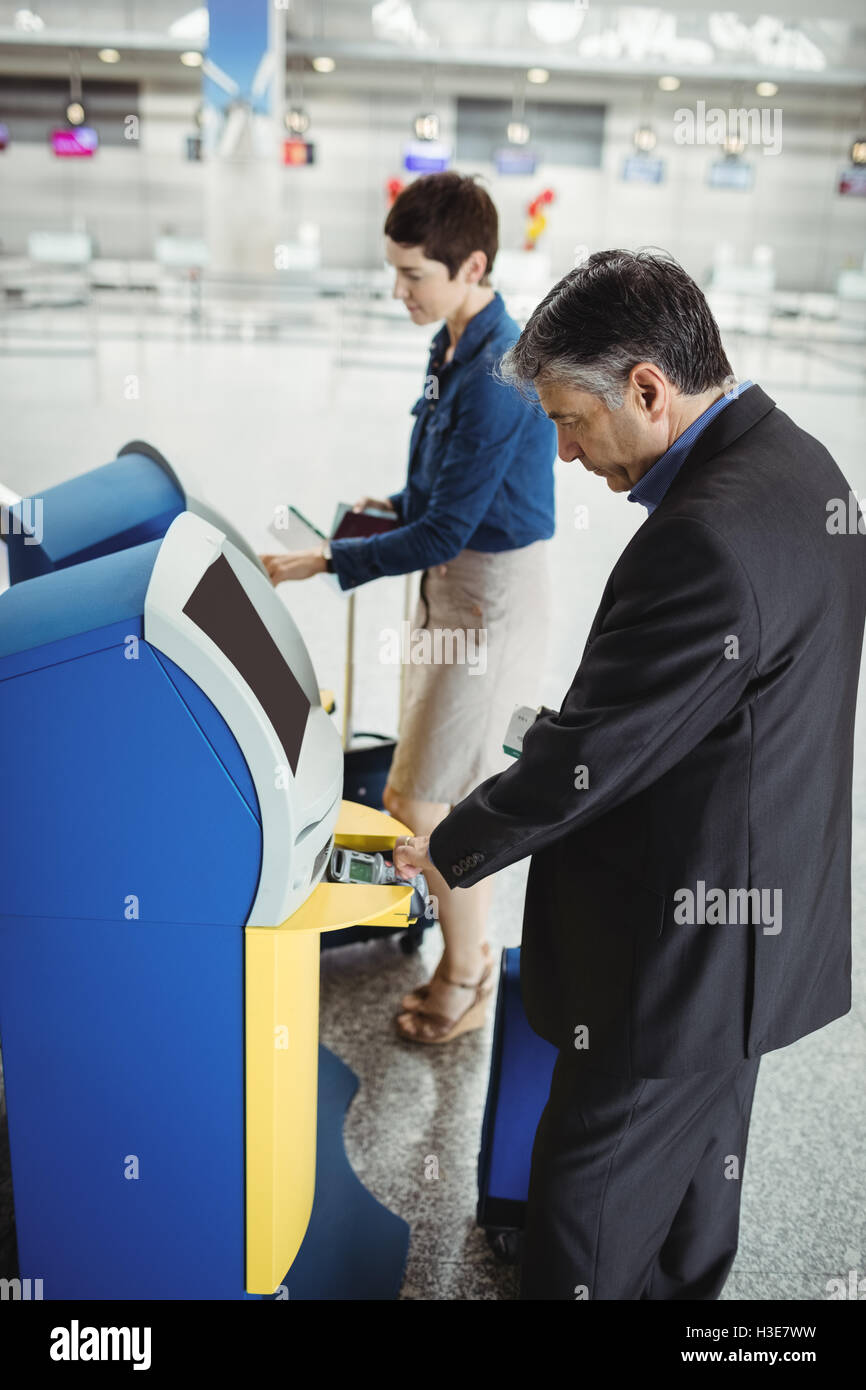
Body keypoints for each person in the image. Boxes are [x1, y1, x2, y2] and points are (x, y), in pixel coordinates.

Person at [394, 248, 866, 1298]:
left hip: (673, 956)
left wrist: (454, 842)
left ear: (647, 388)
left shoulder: (700, 537)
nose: (562, 454)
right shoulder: (802, 466)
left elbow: (596, 749)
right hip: (749, 928)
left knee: (586, 1213)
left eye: (569, 419)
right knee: (696, 1190)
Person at [260, 172, 557, 1043]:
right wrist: (392, 501)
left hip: (487, 596)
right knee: (435, 790)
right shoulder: (456, 341)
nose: (400, 292)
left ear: (472, 266)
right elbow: (436, 492)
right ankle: (465, 959)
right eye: (394, 272)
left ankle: (467, 976)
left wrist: (328, 559)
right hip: (451, 585)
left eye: (413, 276)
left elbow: (444, 532)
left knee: (429, 805)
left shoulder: (500, 371)